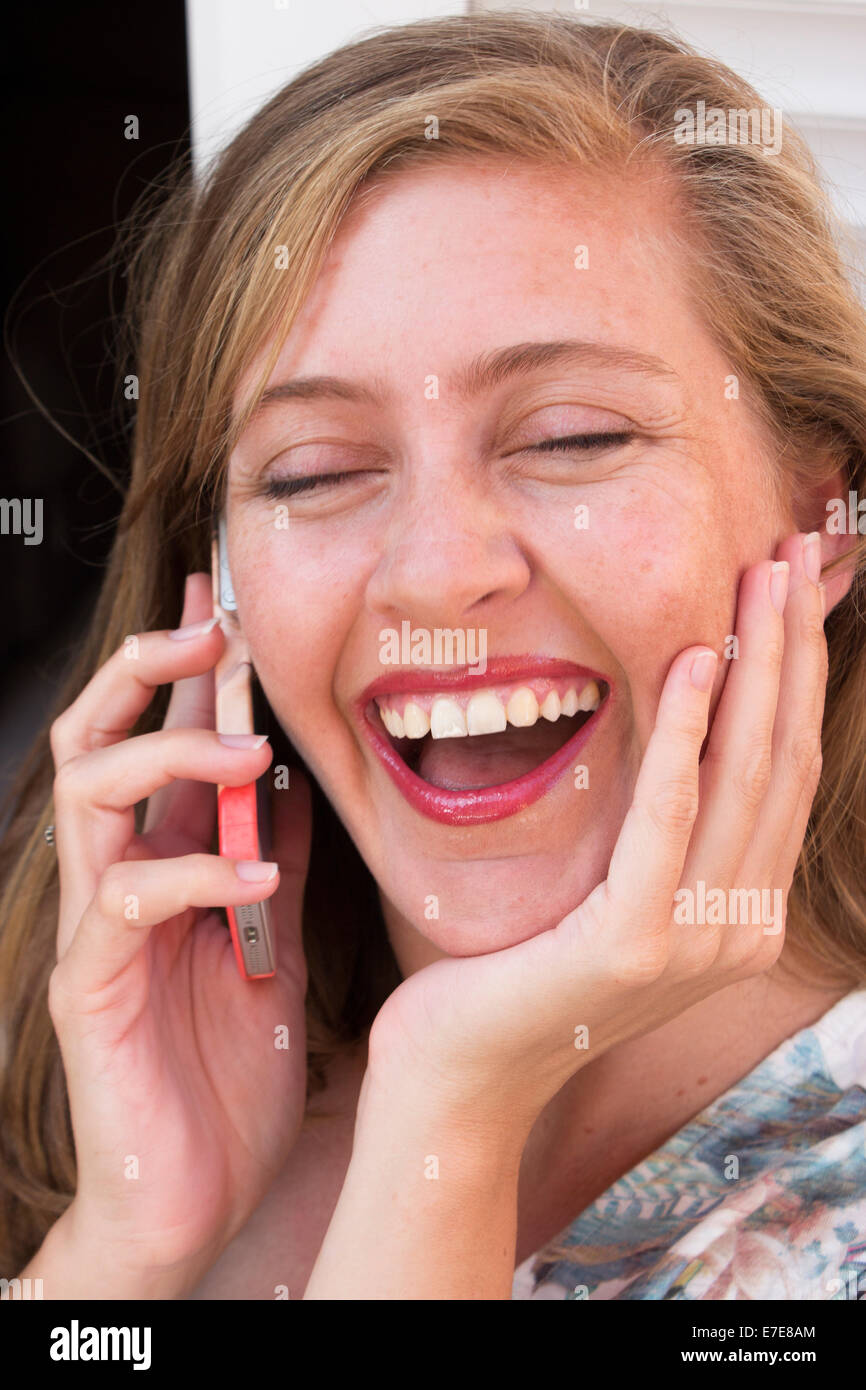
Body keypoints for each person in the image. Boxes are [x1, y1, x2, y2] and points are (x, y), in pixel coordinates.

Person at [1, 11, 864, 1301]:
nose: (433, 571)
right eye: (316, 471)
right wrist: (124, 1252)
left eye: (573, 438)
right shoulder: (157, 1134)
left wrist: (449, 1114)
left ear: (819, 517)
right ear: (222, 584)